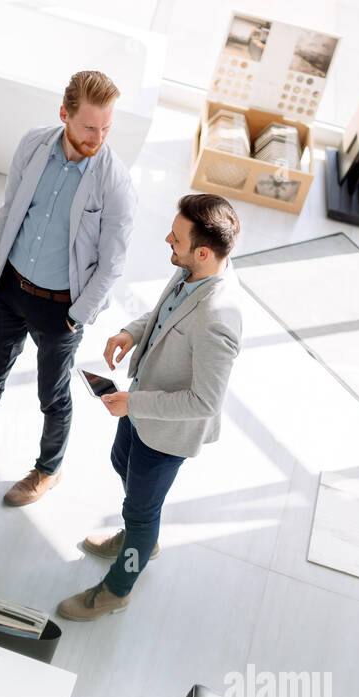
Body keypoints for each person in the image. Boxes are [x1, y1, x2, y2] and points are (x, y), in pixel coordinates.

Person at [0, 70, 136, 506]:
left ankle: (47, 470)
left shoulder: (115, 182)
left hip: (62, 310)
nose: (99, 136)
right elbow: (8, 212)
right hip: (11, 288)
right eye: (90, 126)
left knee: (51, 397)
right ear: (64, 115)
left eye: (107, 126)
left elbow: (113, 264)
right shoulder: (34, 144)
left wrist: (77, 316)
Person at [57, 193, 244, 621]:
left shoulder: (219, 318)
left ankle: (117, 589)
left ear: (202, 251)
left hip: (165, 429)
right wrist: (131, 332)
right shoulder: (194, 268)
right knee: (120, 459)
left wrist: (134, 402)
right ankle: (139, 536)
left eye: (175, 238)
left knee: (142, 512)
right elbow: (165, 313)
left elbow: (205, 401)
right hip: (141, 407)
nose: (166, 240)